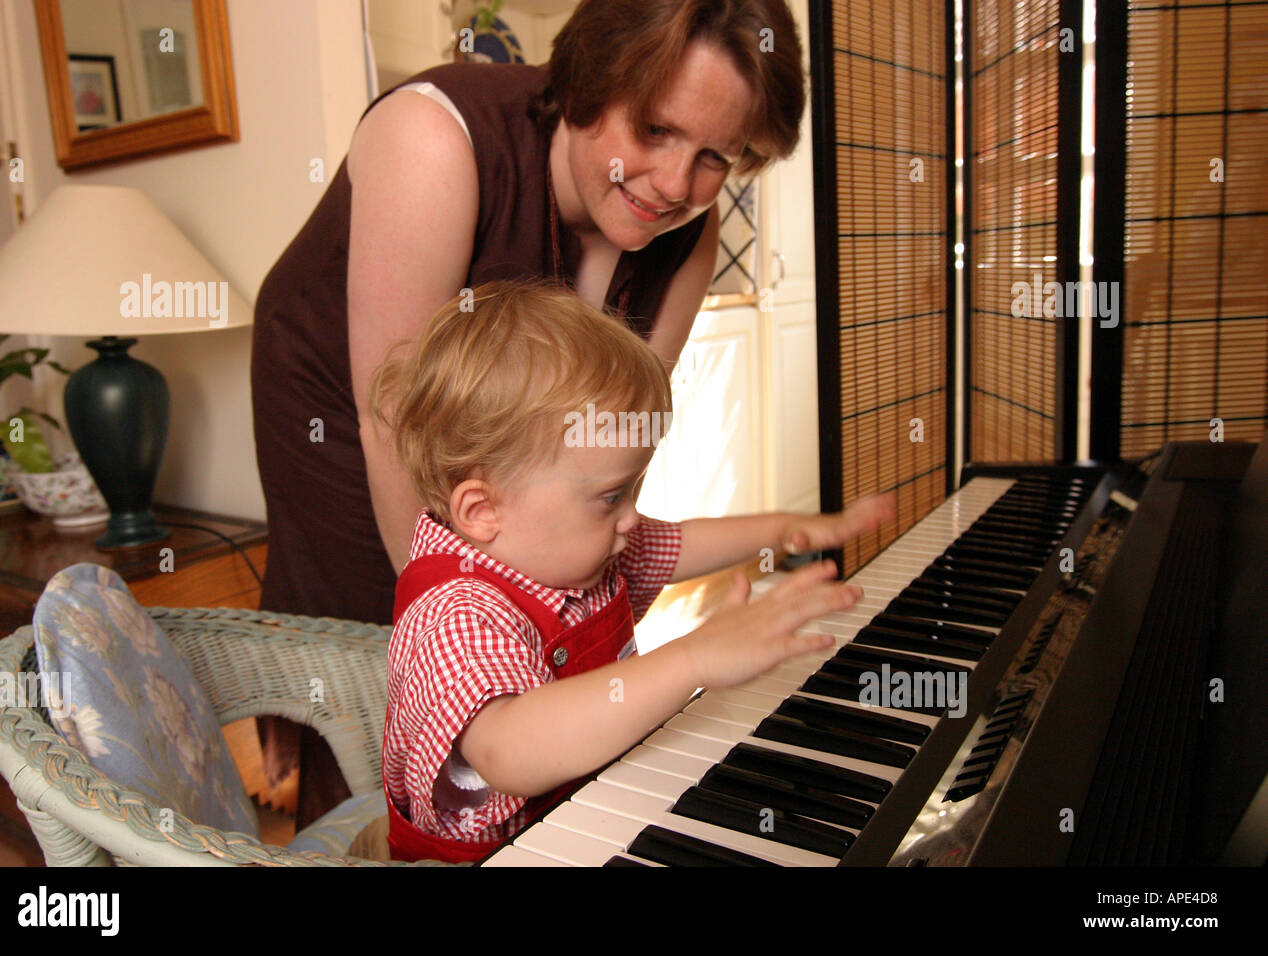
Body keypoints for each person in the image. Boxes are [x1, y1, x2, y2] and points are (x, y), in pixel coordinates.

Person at [250, 0, 806, 825]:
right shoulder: (434, 142)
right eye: (654, 131)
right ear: (590, 81)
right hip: (348, 409)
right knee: (393, 672)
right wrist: (455, 622)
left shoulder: (685, 225)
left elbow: (619, 437)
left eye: (716, 157)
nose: (676, 186)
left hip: (460, 438)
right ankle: (372, 825)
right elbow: (394, 419)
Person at [370, 281, 892, 862]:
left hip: (593, 822)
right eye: (612, 496)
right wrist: (694, 657)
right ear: (482, 510)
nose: (631, 519)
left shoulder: (565, 551)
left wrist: (785, 530)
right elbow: (508, 749)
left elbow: (676, 542)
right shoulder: (456, 614)